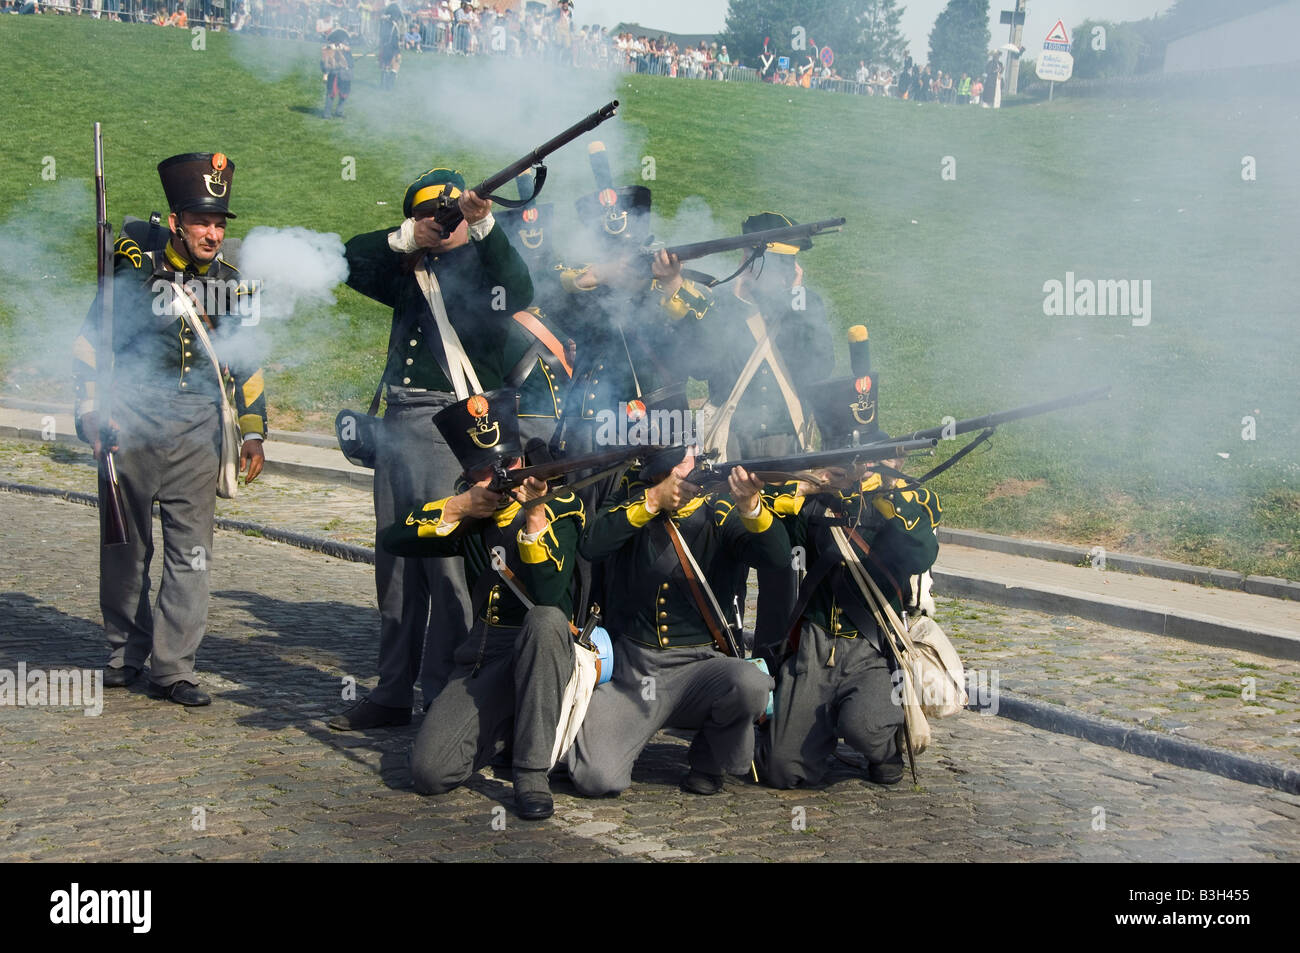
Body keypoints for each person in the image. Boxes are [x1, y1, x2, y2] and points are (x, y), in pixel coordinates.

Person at [328, 167, 534, 730]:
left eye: (448, 215)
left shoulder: (484, 269)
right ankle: (393, 689)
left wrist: (484, 221)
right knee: (395, 563)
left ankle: (445, 693)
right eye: (430, 216)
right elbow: (346, 260)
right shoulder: (407, 270)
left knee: (446, 566)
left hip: (457, 423)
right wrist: (405, 240)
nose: (441, 225)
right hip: (398, 420)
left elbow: (521, 289)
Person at [74, 152, 267, 706]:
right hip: (131, 418)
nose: (212, 233)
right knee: (125, 543)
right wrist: (91, 410)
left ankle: (174, 666)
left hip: (198, 429)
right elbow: (90, 346)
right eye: (201, 221)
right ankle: (122, 651)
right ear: (177, 222)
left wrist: (252, 432)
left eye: (219, 223)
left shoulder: (233, 285)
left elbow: (249, 363)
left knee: (191, 552)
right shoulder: (136, 272)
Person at [383, 389, 584, 820]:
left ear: (521, 460)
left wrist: (534, 517)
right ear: (470, 475)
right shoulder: (472, 516)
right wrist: (458, 507)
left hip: (545, 651)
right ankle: (505, 725)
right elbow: (393, 539)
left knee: (546, 620)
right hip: (485, 654)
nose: (501, 477)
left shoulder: (561, 506)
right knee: (429, 772)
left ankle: (531, 772)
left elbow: (549, 595)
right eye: (484, 471)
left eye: (508, 465)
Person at [567, 425, 787, 797]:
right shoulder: (631, 499)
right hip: (634, 670)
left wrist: (751, 506)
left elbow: (778, 557)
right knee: (595, 779)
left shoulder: (718, 507)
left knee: (749, 683)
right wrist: (652, 501)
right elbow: (591, 545)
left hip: (700, 666)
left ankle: (708, 761)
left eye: (689, 454)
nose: (686, 465)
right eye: (676, 458)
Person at [757, 374, 942, 789]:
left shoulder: (901, 503)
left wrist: (883, 497)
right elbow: (771, 545)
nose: (863, 467)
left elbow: (921, 554)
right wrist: (806, 486)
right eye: (855, 459)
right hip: (815, 643)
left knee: (864, 726)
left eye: (872, 458)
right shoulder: (815, 501)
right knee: (782, 769)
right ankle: (820, 727)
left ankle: (883, 744)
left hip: (872, 646)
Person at [696, 211, 833, 663]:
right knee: (725, 553)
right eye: (771, 265)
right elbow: (700, 366)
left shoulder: (802, 305)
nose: (780, 275)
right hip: (731, 447)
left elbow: (818, 365)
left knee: (784, 563)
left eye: (786, 267)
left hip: (786, 451)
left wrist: (790, 296)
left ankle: (776, 661)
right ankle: (725, 657)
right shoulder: (721, 307)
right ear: (749, 260)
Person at [320, 27, 354, 118]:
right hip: (334, 74)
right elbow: (325, 64)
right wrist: (326, 74)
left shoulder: (346, 49)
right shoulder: (328, 49)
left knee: (344, 93)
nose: (342, 42)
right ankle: (327, 113)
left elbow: (351, 62)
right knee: (331, 93)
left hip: (346, 74)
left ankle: (339, 111)